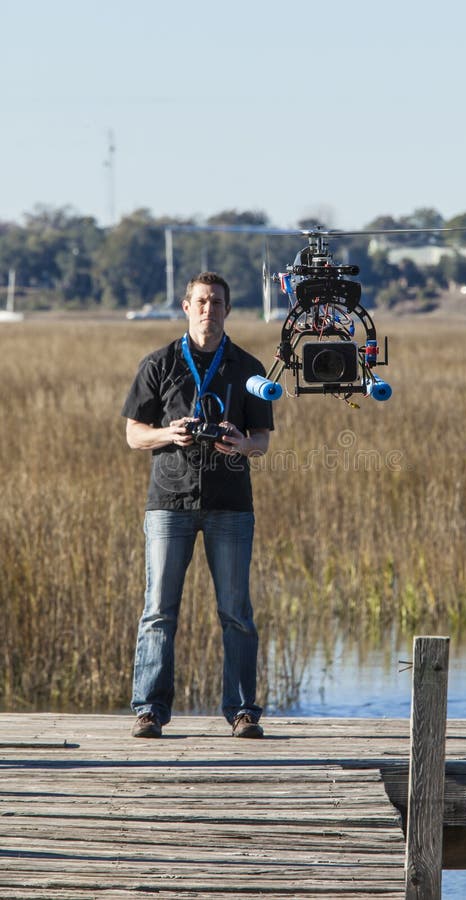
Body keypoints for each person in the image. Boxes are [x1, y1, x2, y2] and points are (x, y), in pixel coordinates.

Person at [121, 272, 273, 739]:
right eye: (202, 301)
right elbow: (133, 435)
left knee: (236, 612)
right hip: (169, 503)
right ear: (186, 307)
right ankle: (150, 710)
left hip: (230, 504)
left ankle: (243, 712)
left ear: (228, 309)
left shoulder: (248, 367)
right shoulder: (159, 364)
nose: (210, 309)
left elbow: (263, 442)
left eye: (218, 302)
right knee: (159, 610)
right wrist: (171, 432)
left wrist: (239, 443)